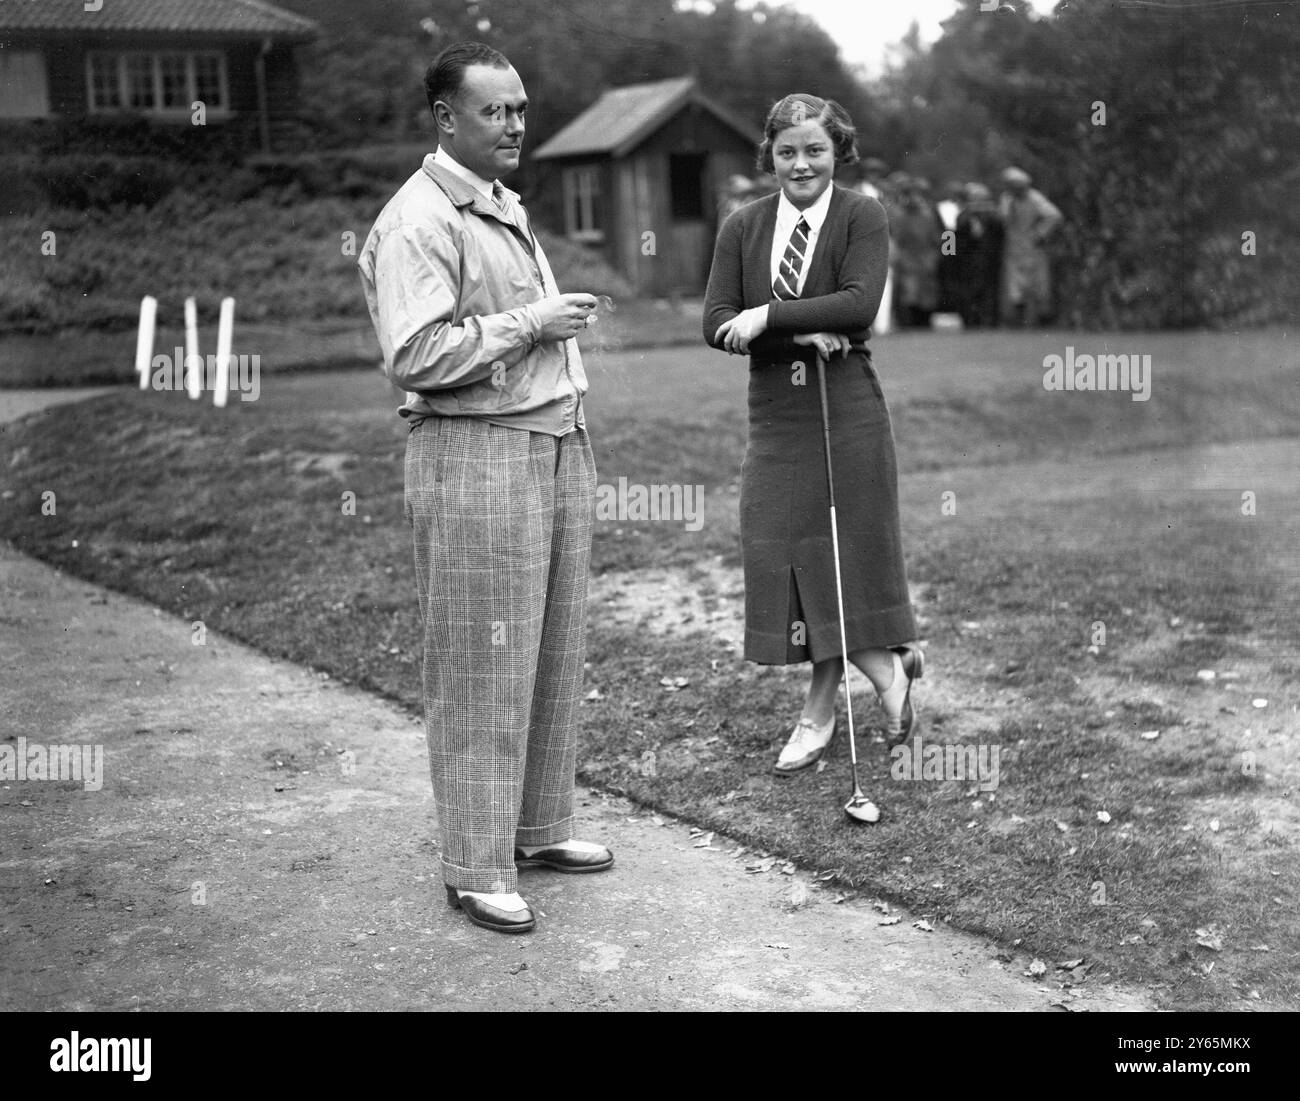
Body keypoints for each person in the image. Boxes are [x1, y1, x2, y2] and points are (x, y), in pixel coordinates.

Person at [357, 42, 612, 936]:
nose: (513, 125)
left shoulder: (498, 201)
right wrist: (533, 322)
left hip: (552, 443)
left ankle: (537, 827)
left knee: (551, 648)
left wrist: (542, 335)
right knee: (480, 661)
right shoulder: (419, 218)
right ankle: (475, 864)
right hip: (476, 454)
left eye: (520, 109)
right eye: (494, 111)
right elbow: (417, 353)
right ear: (446, 119)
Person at [702, 93, 924, 812]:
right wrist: (795, 330)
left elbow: (857, 305)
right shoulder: (743, 226)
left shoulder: (862, 216)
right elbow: (715, 321)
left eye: (815, 150)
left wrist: (766, 314)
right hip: (777, 410)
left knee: (837, 551)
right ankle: (885, 665)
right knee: (780, 546)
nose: (801, 164)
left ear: (838, 152)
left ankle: (819, 711)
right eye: (788, 151)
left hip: (845, 403)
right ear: (770, 155)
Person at [998, 166, 1063, 326]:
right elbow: (1003, 218)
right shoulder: (1007, 199)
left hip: (1032, 247)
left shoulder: (1034, 198)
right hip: (1014, 248)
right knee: (1015, 286)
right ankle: (1018, 321)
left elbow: (1054, 215)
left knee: (1039, 285)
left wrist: (1040, 233)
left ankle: (1043, 322)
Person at [955, 181, 1004, 328]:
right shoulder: (962, 217)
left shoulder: (993, 217)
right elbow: (950, 238)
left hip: (989, 261)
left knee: (989, 292)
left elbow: (999, 236)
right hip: (967, 262)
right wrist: (949, 257)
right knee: (968, 293)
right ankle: (970, 321)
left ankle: (989, 321)